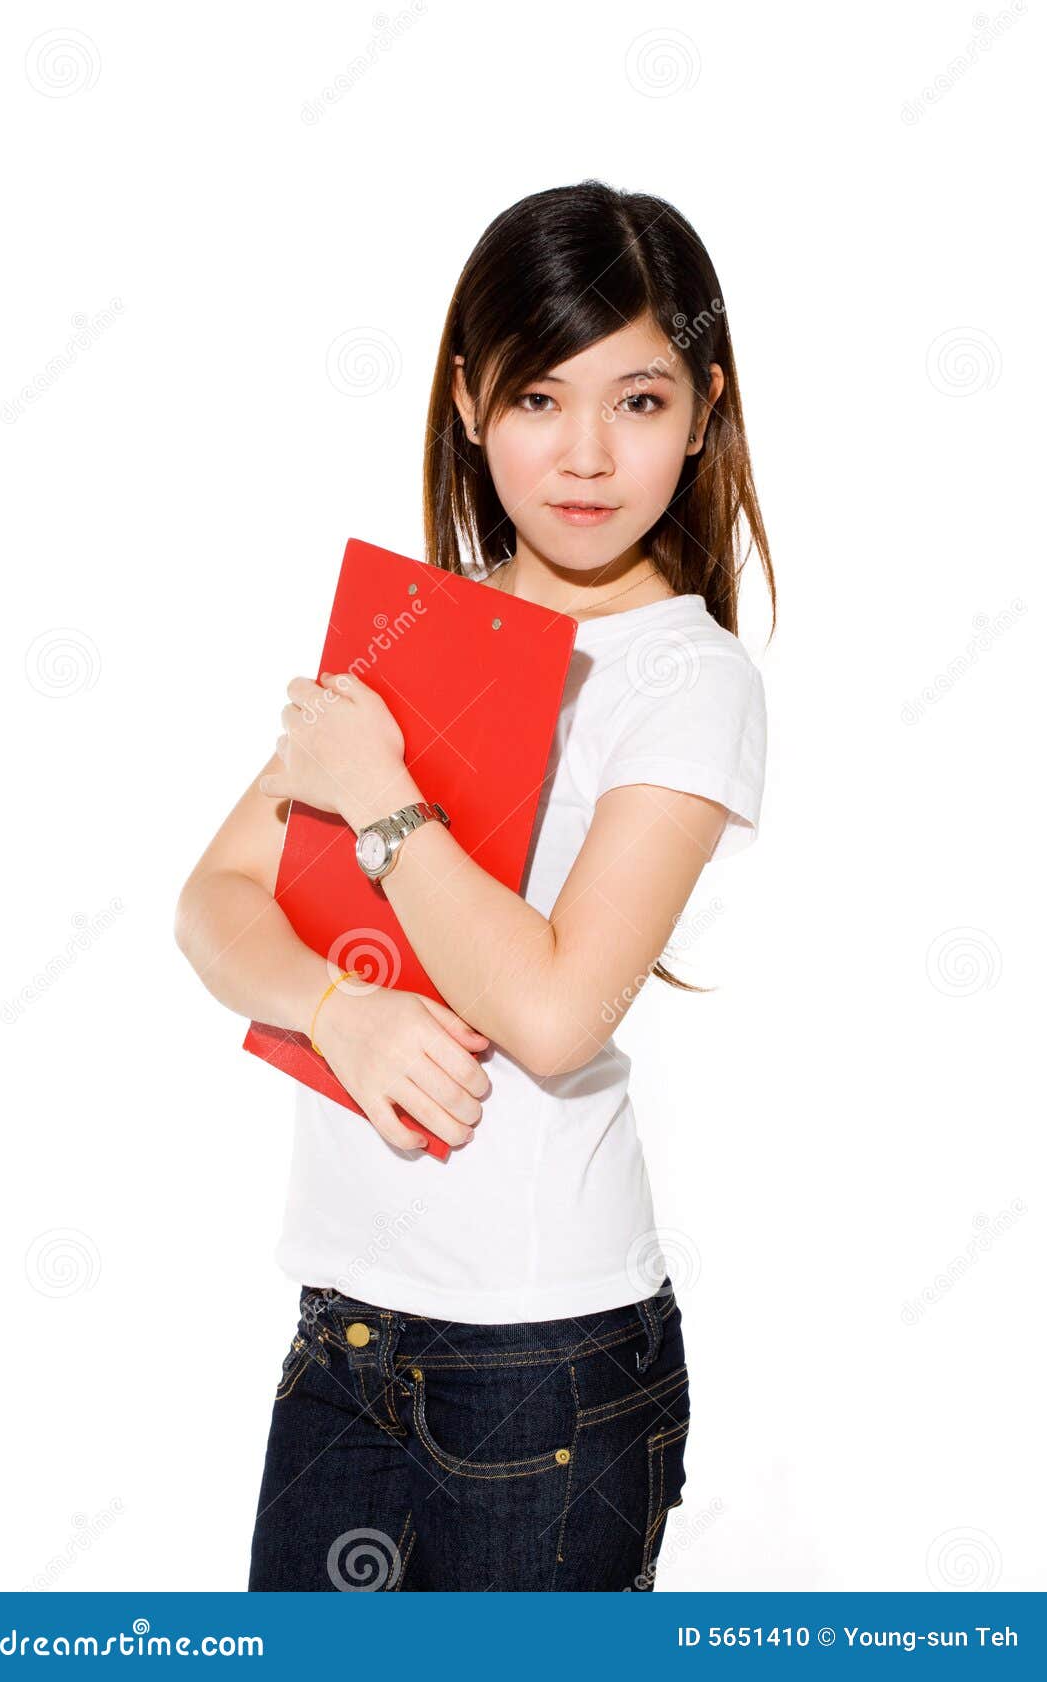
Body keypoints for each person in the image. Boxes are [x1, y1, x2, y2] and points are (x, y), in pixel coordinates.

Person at [174, 178, 774, 1592]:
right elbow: (213, 902)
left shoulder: (689, 678)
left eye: (636, 401)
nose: (584, 454)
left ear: (703, 406)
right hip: (345, 1334)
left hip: (545, 1362)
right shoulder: (414, 630)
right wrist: (339, 1009)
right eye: (536, 399)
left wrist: (381, 791)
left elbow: (557, 1011)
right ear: (465, 400)